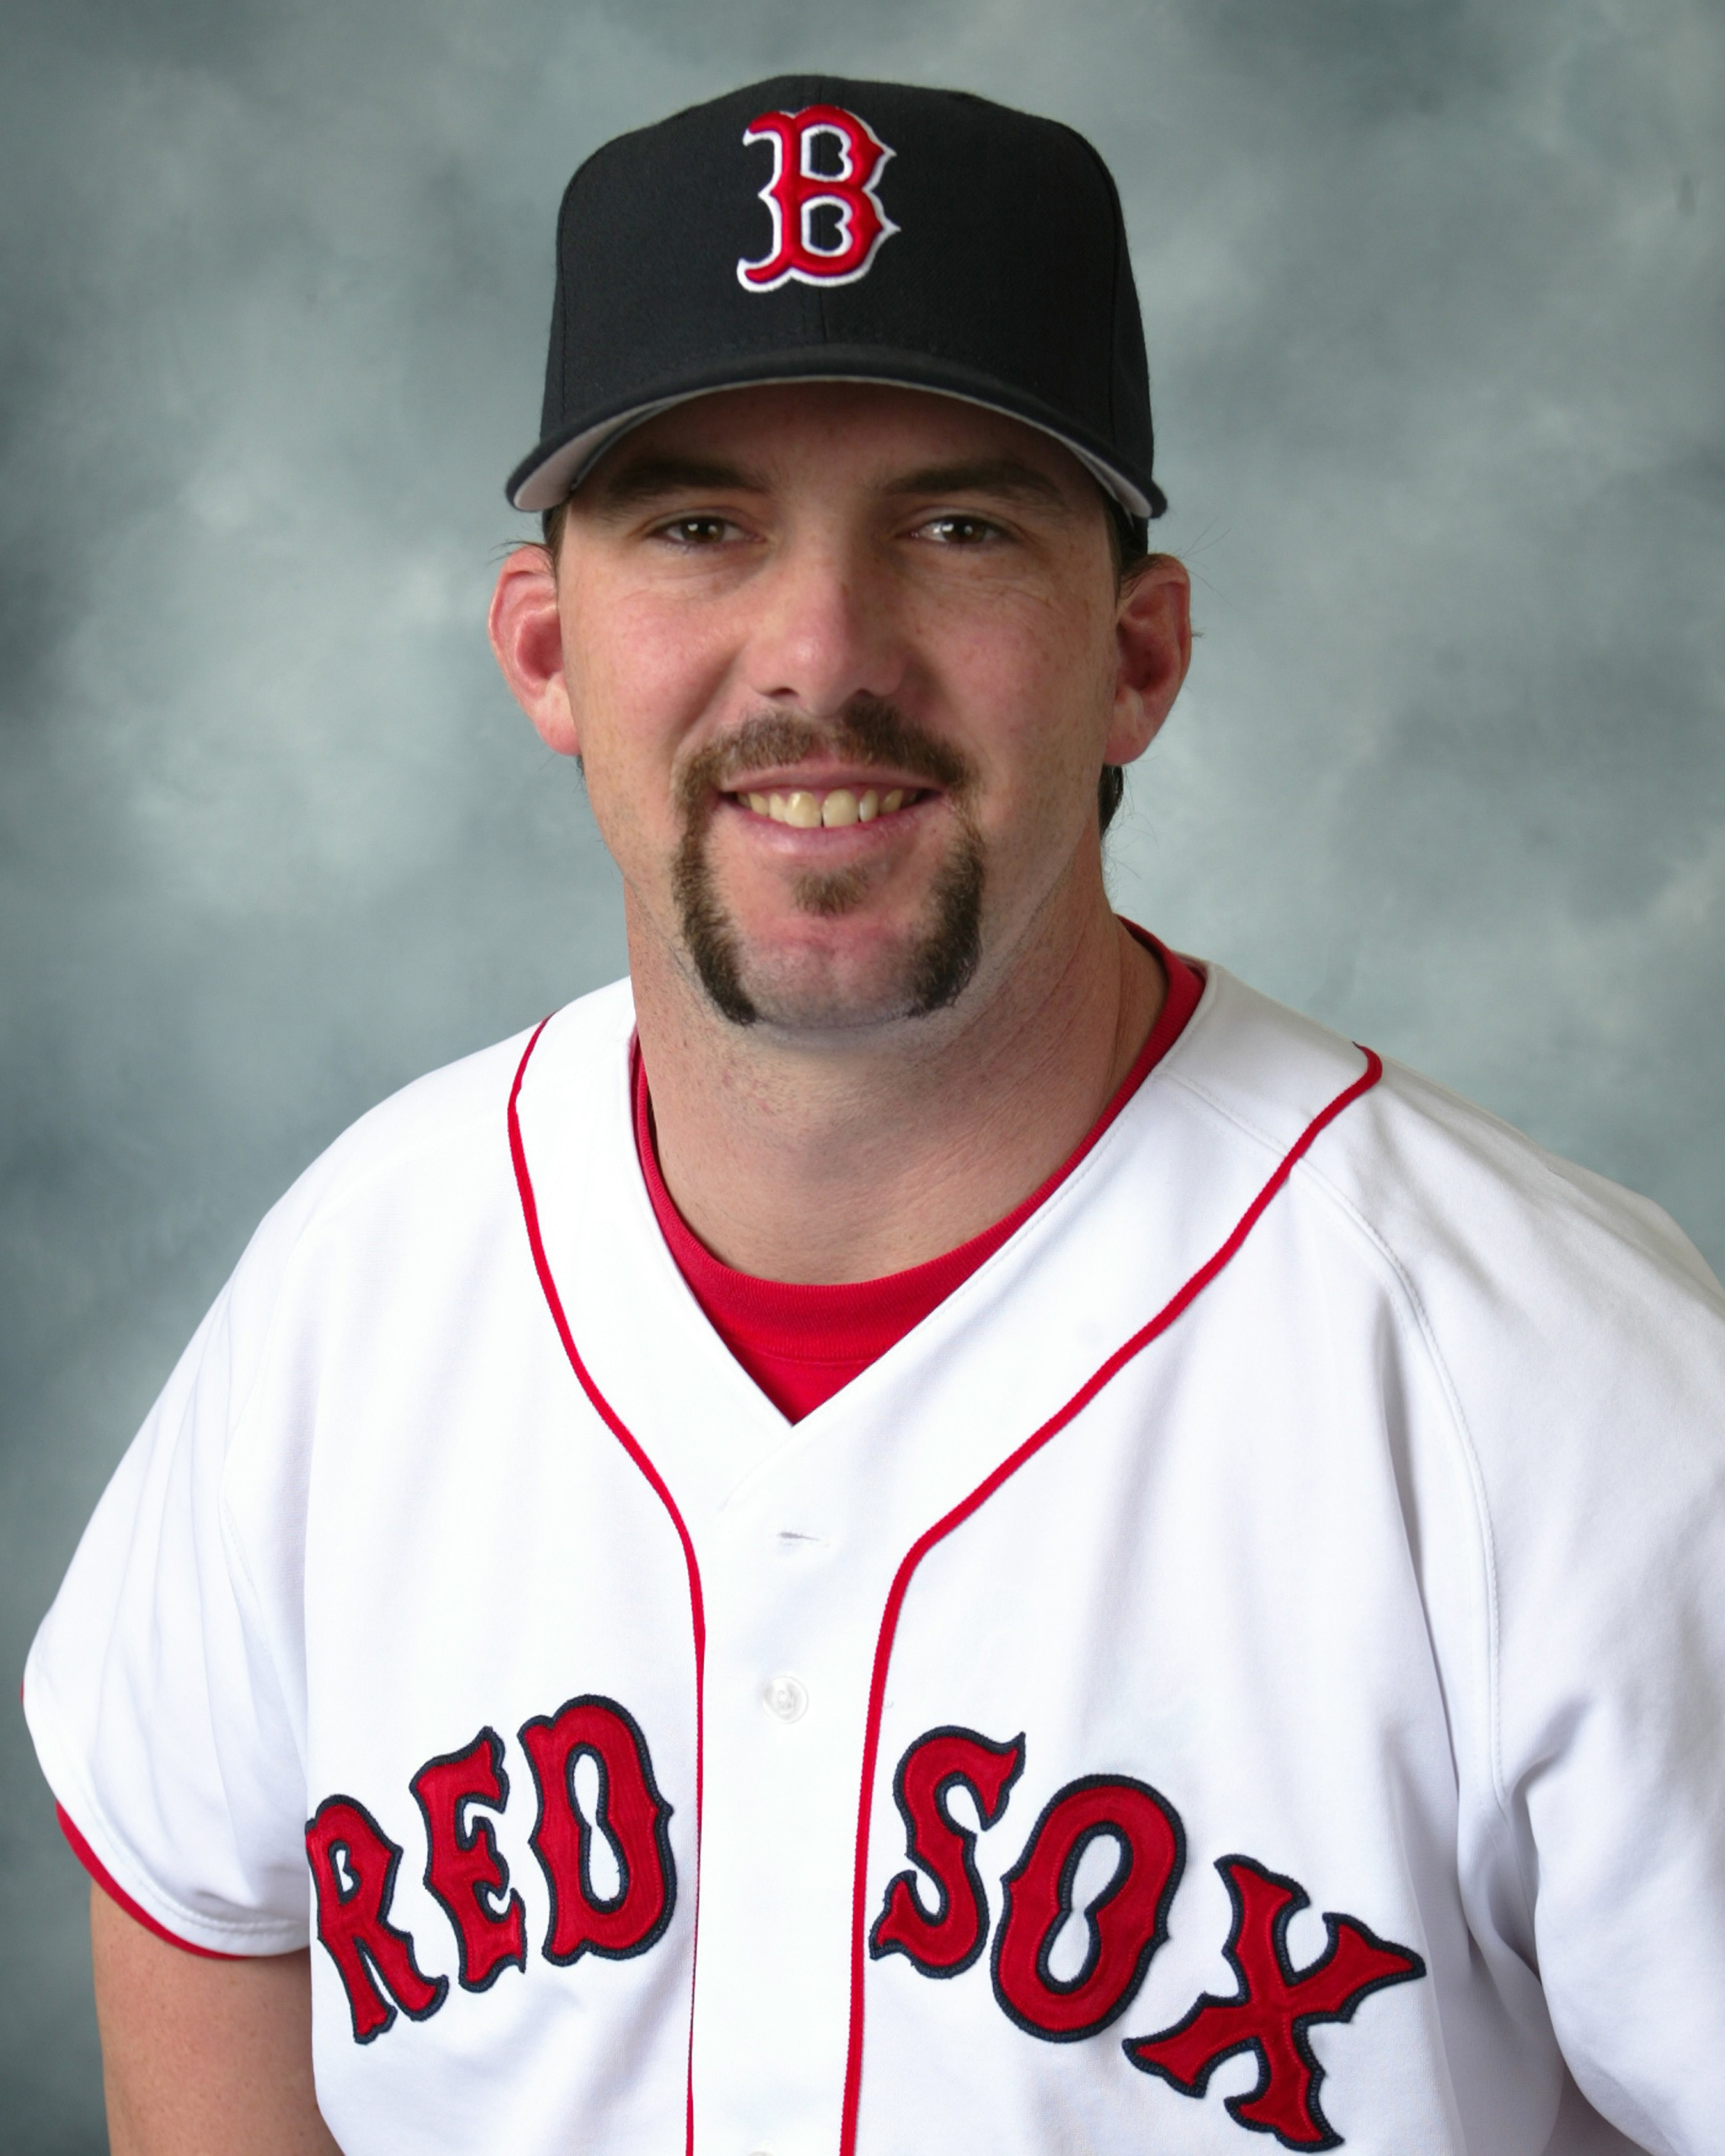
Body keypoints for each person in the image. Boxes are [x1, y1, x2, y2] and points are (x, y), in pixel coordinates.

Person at [24, 74, 1725, 2156]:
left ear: (1137, 658)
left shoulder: (1550, 1388)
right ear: (546, 650)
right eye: (698, 525)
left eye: (957, 526)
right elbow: (203, 1911)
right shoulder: (357, 1280)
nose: (819, 652)